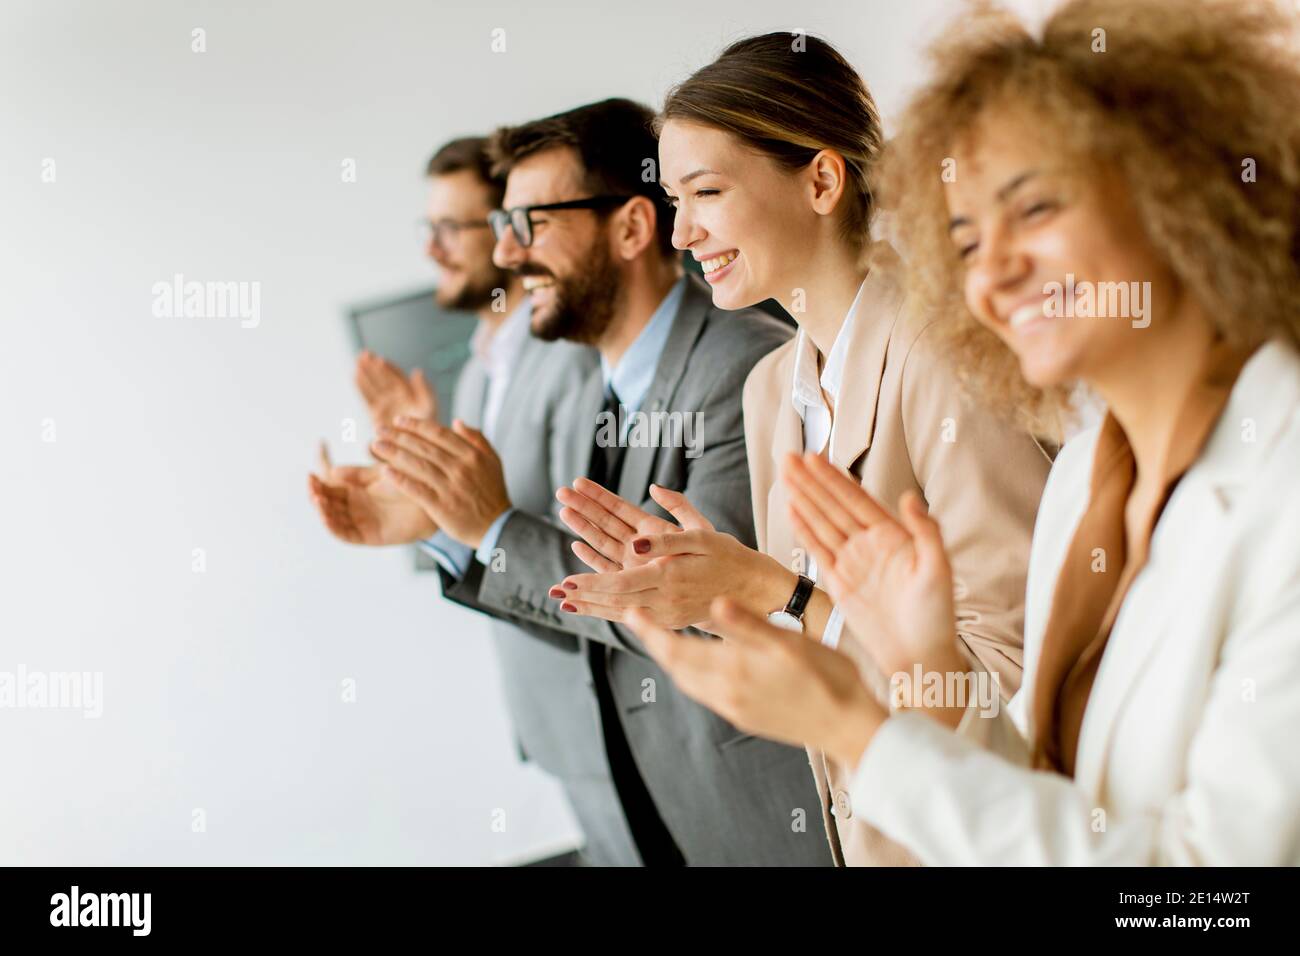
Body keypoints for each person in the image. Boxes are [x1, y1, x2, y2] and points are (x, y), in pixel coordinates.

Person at [631, 0, 1300, 865]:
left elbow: (1206, 898)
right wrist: (924, 671)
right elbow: (1052, 790)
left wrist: (863, 726)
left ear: (1175, 190)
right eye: (967, 238)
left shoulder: (1281, 488)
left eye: (1036, 210)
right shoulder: (1090, 477)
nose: (994, 273)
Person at [548, 34, 1052, 864]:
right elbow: (817, 656)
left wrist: (771, 591)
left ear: (821, 179)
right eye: (674, 199)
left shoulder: (941, 356)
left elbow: (1006, 676)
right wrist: (709, 600)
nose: (682, 233)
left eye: (706, 191)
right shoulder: (771, 388)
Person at [371, 99, 831, 865]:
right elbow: (579, 592)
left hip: (752, 809)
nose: (510, 257)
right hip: (635, 791)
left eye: (533, 225)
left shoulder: (744, 367)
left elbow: (697, 608)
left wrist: (491, 529)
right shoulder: (587, 381)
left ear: (630, 228)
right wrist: (448, 530)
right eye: (504, 228)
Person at [307, 138, 634, 865]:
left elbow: (583, 557)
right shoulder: (483, 372)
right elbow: (488, 537)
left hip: (617, 713)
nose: (433, 251)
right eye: (429, 230)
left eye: (452, 228)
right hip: (559, 723)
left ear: (509, 234)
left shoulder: (578, 358)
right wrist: (420, 494)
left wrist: (463, 513)